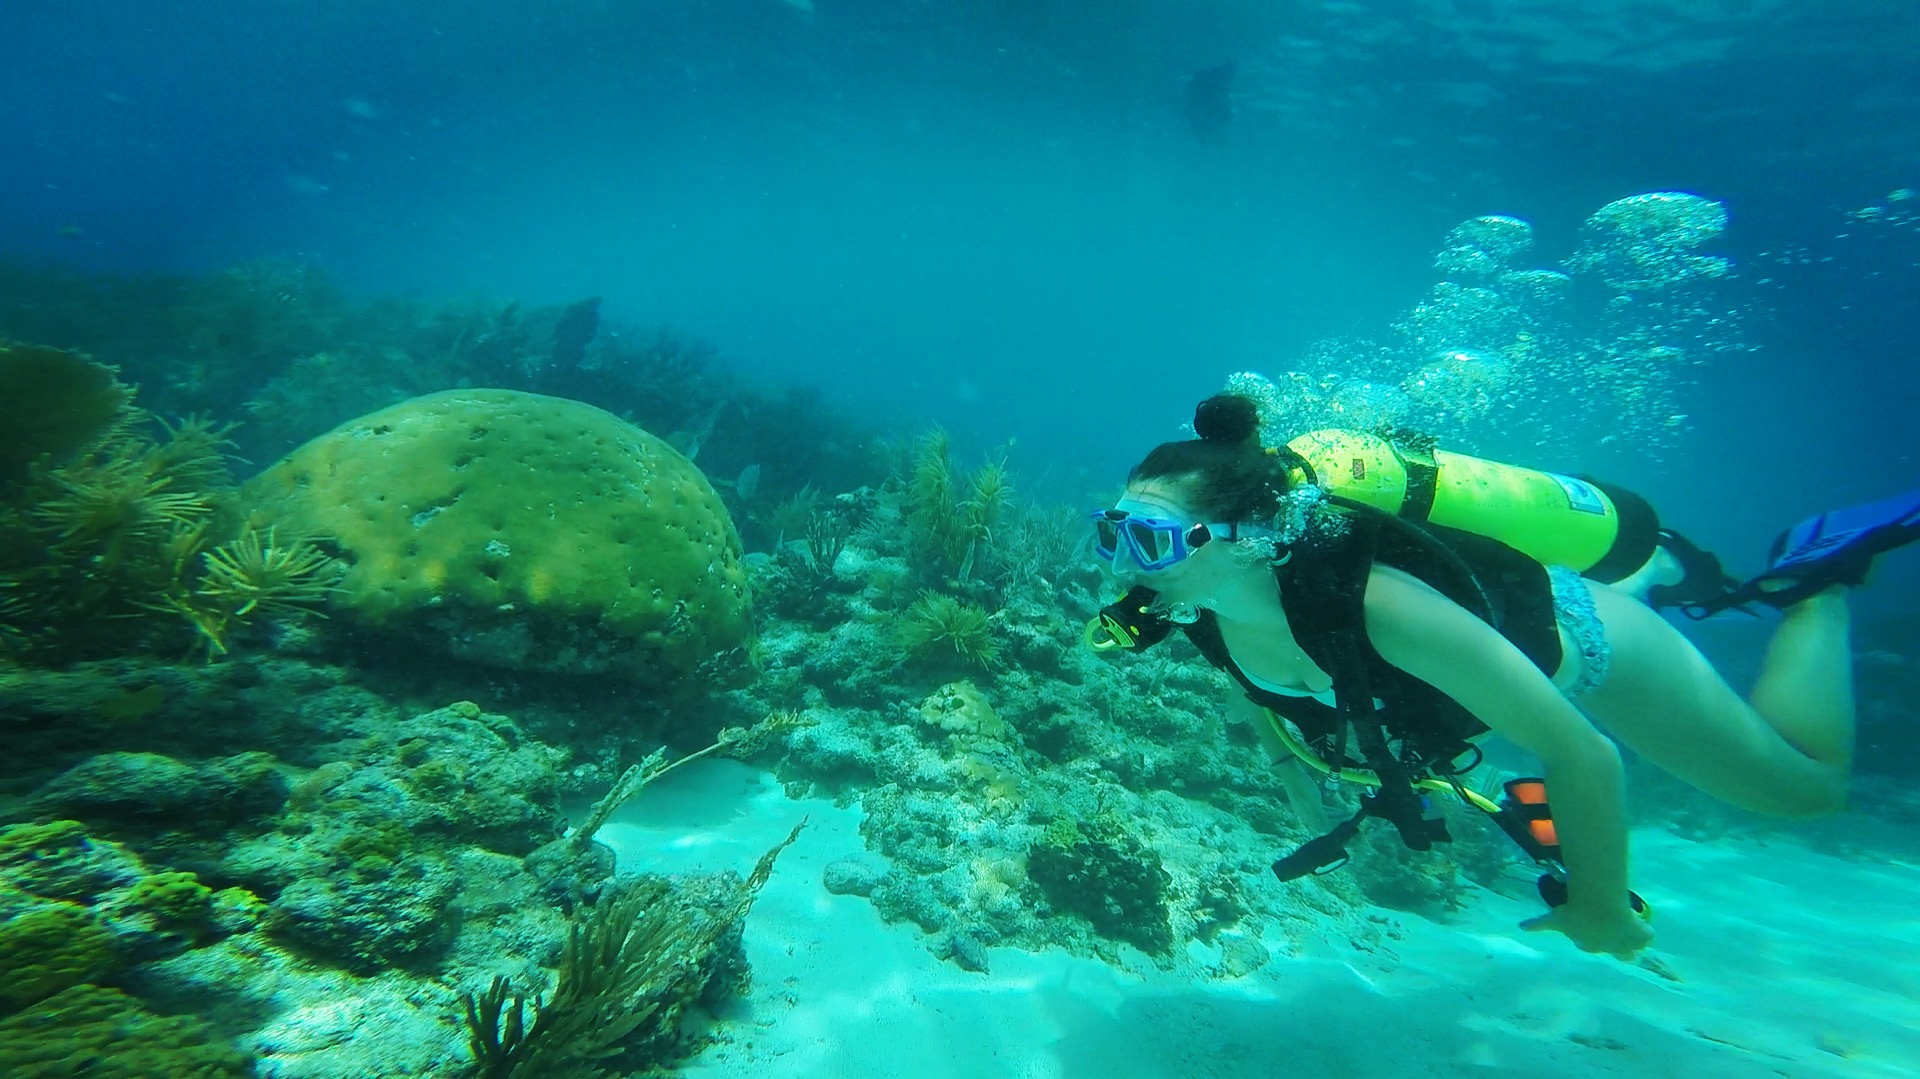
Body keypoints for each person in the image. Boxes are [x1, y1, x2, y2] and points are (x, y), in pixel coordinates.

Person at [1088, 393, 1920, 959]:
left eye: (1150, 540)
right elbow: (1256, 696)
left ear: (1248, 536)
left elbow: (1584, 755)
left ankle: (1817, 578)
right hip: (1487, 643)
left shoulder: (1380, 606)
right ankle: (1666, 570)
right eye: (1114, 534)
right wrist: (1300, 795)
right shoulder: (1198, 604)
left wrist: (1599, 907)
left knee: (1806, 787)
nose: (1126, 564)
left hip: (1594, 649)